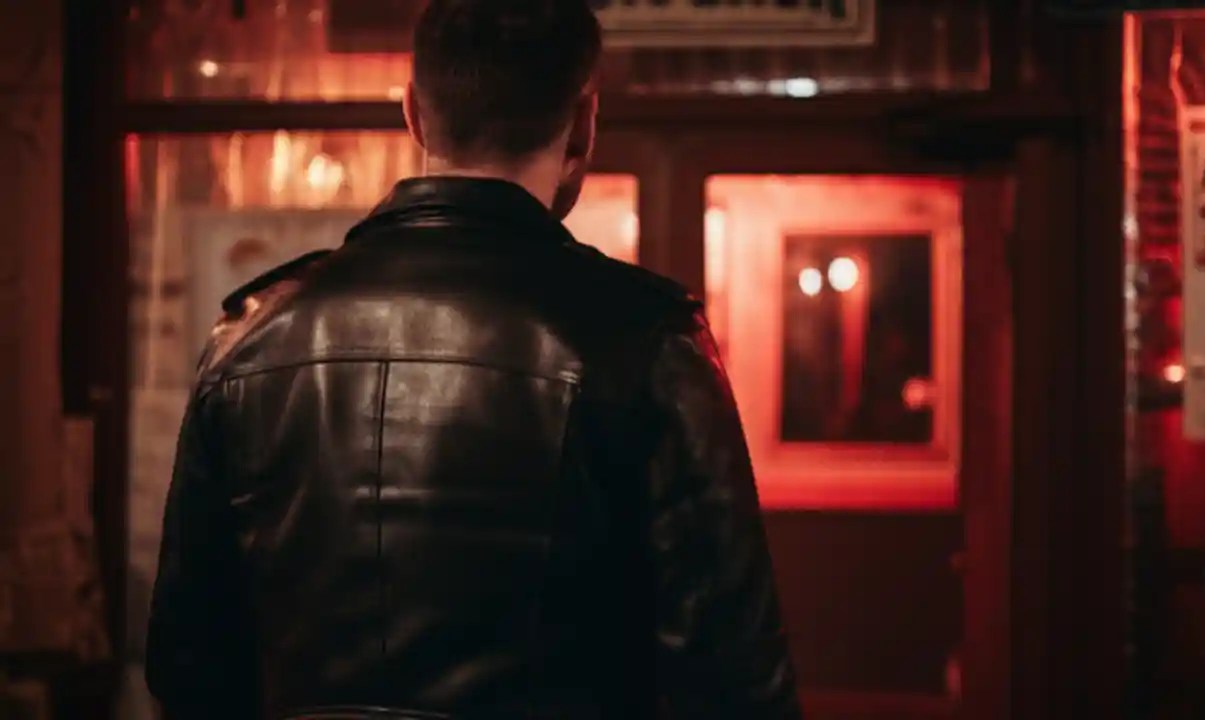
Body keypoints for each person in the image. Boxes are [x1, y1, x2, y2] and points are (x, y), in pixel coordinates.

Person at [145, 1, 800, 718]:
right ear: (584, 123)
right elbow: (734, 677)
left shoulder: (251, 336)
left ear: (414, 116)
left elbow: (189, 664)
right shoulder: (646, 341)